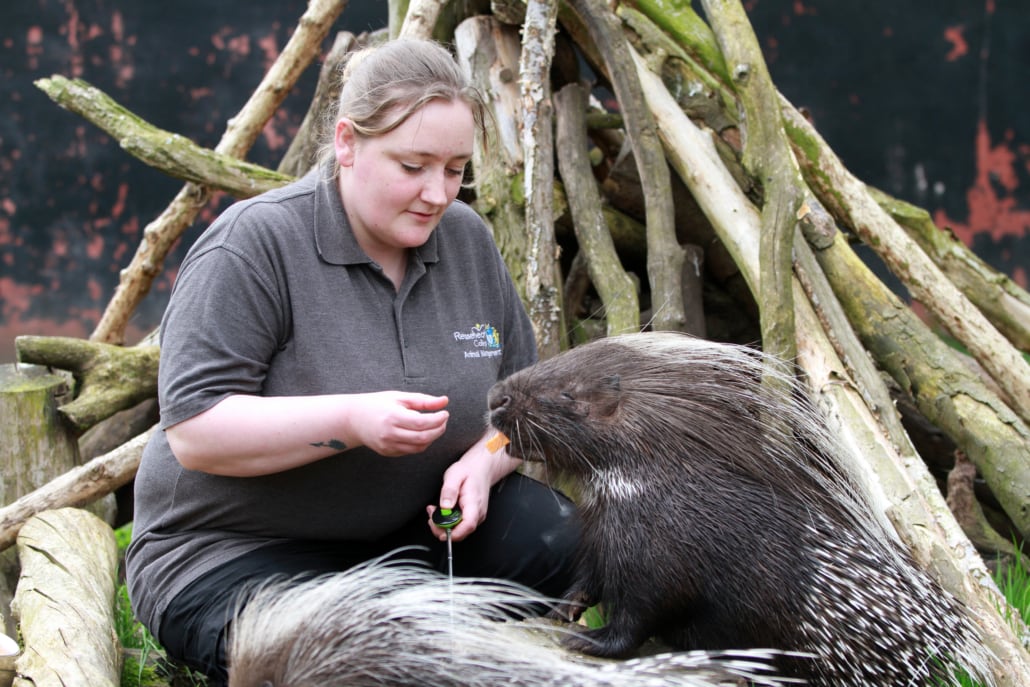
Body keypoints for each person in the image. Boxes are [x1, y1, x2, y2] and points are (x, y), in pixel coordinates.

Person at [125, 38, 579, 685]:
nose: (436, 192)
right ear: (346, 143)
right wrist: (352, 419)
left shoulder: (469, 243)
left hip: (407, 540)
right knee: (357, 658)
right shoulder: (253, 246)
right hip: (232, 554)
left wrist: (484, 461)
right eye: (413, 165)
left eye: (454, 169)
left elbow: (522, 409)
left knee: (554, 537)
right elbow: (196, 433)